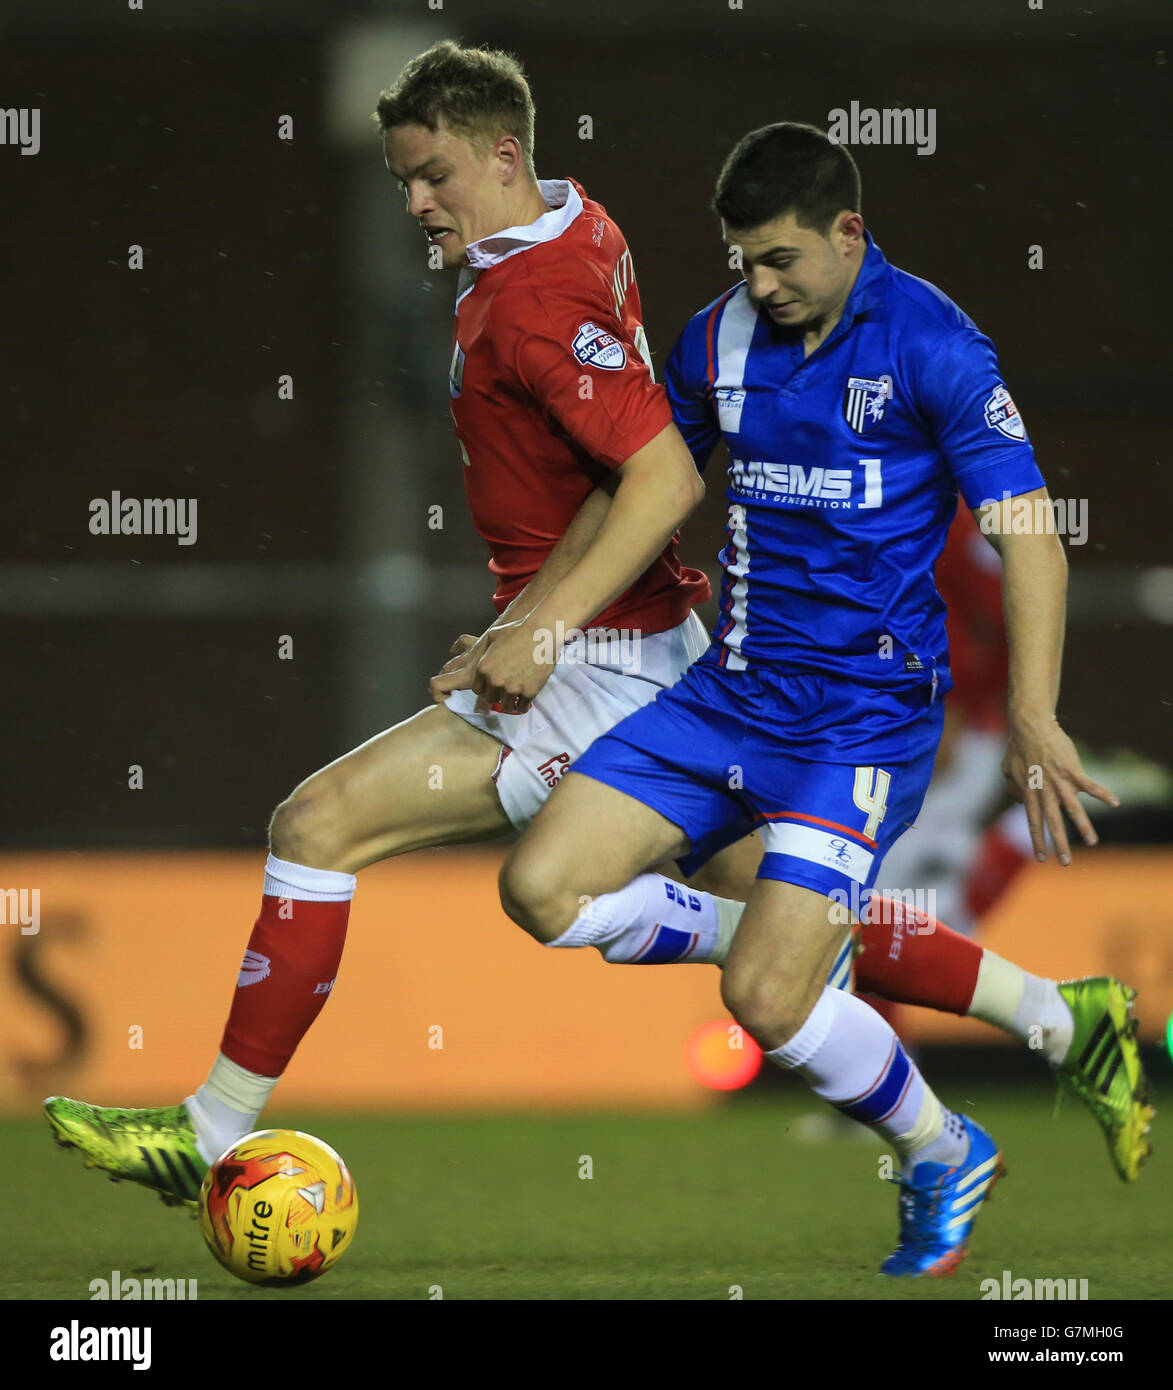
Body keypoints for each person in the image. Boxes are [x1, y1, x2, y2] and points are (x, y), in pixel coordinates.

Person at [44, 53, 1148, 1243]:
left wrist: (544, 626)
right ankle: (1059, 1017)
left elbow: (662, 478)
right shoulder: (587, 234)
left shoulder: (549, 302)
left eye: (433, 176)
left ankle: (214, 1127)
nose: (415, 201)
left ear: (503, 157)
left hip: (623, 666)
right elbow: (638, 461)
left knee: (351, 833)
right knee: (756, 912)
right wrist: (520, 620)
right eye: (405, 180)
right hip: (648, 658)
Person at [496, 120, 1144, 1277]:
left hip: (861, 727)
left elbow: (1032, 538)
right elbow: (644, 486)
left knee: (765, 998)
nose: (760, 284)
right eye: (743, 259)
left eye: (781, 259)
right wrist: (537, 622)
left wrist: (1036, 716)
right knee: (538, 888)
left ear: (850, 233)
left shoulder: (935, 344)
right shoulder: (716, 339)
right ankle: (922, 980)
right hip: (728, 698)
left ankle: (941, 1148)